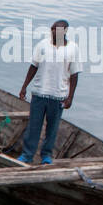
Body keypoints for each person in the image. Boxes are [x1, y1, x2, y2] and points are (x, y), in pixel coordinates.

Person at [17, 19, 78, 165]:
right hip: (39, 93)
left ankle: (46, 155)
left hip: (58, 96)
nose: (54, 32)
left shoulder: (73, 48)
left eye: (58, 30)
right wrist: (24, 86)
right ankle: (27, 155)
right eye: (52, 29)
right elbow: (33, 66)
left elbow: (74, 75)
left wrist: (70, 97)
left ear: (65, 31)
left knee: (52, 128)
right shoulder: (42, 45)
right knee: (34, 126)